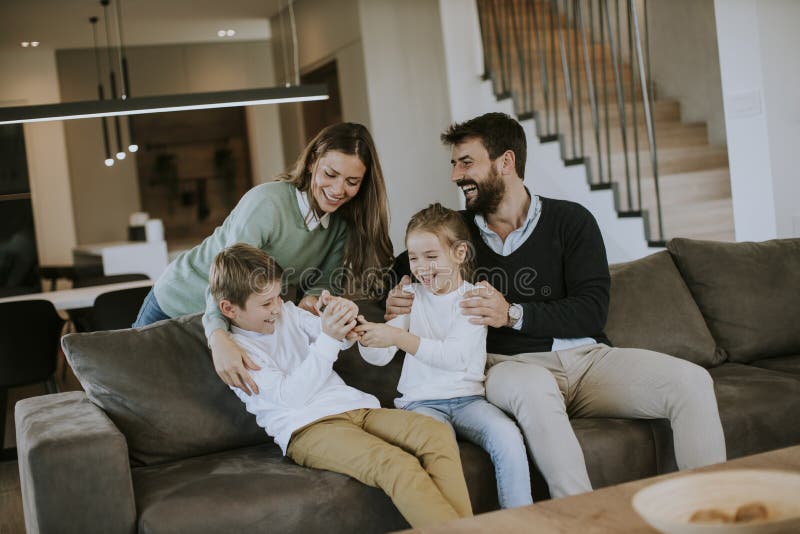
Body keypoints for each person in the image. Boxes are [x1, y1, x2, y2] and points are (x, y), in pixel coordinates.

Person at [385, 112, 727, 498]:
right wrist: (394, 295)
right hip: (510, 368)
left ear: (506, 162)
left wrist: (512, 313)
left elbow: (591, 311)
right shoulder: (455, 235)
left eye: (467, 162)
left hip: (588, 360)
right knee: (534, 391)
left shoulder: (571, 221)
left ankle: (711, 513)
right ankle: (582, 518)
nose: (456, 175)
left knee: (692, 381)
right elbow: (401, 268)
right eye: (454, 164)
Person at [208, 244, 472, 528]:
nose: (276, 308)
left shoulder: (289, 313)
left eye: (277, 297)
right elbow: (291, 397)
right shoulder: (234, 355)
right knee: (396, 465)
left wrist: (341, 316)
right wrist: (330, 338)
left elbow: (340, 338)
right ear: (229, 309)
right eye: (265, 304)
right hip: (308, 428)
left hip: (355, 408)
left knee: (435, 433)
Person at [133, 122, 394, 396]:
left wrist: (314, 299)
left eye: (351, 182)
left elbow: (327, 278)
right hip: (180, 300)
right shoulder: (267, 203)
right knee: (136, 388)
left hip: (233, 318)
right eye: (330, 174)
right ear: (311, 163)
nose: (338, 189)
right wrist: (217, 335)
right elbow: (227, 275)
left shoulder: (340, 225)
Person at [356, 203, 532, 509]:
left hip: (469, 400)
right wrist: (365, 336)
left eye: (431, 256)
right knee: (439, 445)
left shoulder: (475, 298)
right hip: (420, 403)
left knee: (507, 435)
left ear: (459, 254)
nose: (422, 267)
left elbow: (454, 357)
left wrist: (397, 336)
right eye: (413, 258)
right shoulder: (409, 295)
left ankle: (519, 522)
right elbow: (381, 356)